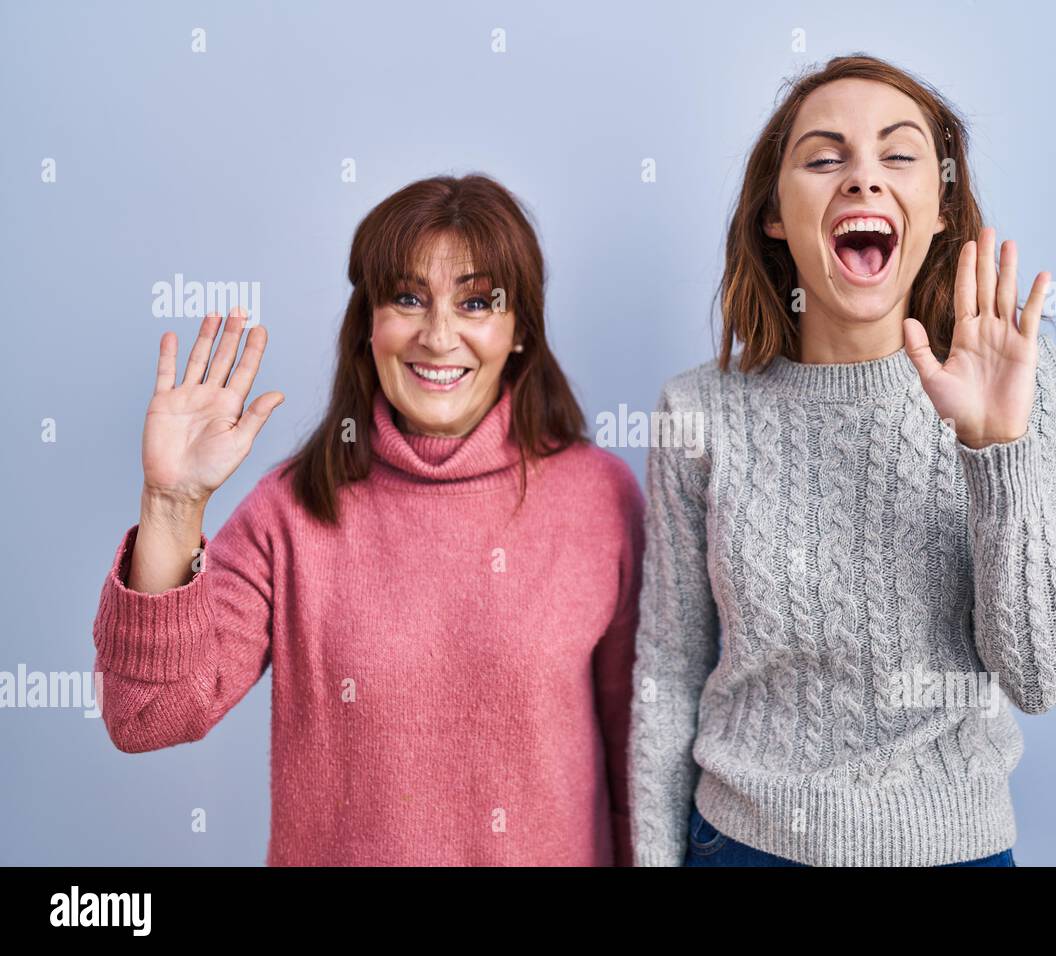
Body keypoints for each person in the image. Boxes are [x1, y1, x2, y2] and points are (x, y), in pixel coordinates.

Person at [628, 55, 1056, 867]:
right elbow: (670, 673)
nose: (862, 179)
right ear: (775, 213)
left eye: (898, 154)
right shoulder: (698, 414)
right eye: (823, 157)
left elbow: (1041, 677)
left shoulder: (1025, 377)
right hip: (743, 845)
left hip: (955, 850)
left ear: (941, 205)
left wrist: (996, 453)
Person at [92, 174, 645, 866]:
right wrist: (171, 505)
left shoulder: (600, 498)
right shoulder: (291, 510)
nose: (439, 335)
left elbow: (636, 765)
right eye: (409, 299)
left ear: (520, 331)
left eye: (476, 302)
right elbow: (146, 716)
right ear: (370, 327)